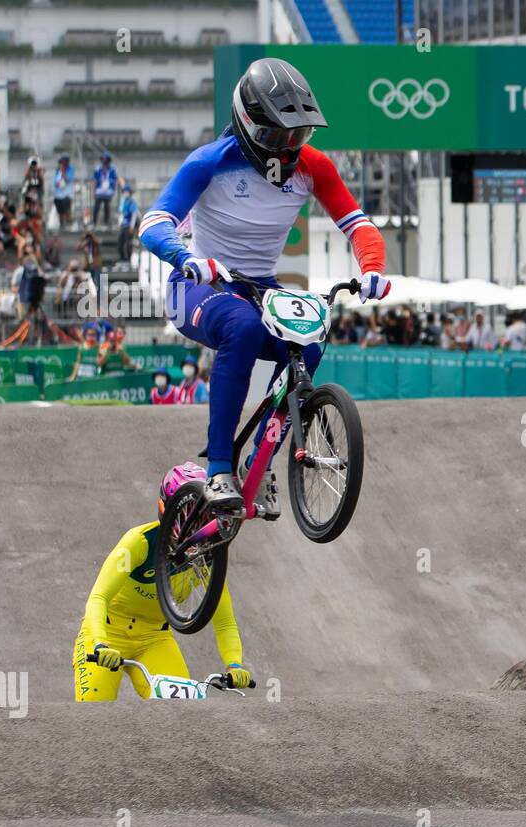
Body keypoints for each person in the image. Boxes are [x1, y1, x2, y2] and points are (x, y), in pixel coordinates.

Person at [140, 57, 390, 514]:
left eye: (299, 136)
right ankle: (218, 470)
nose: (289, 148)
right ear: (248, 126)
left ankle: (261, 462)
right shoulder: (209, 162)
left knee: (309, 342)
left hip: (260, 287)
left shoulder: (314, 167)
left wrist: (372, 267)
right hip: (198, 285)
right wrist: (189, 258)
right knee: (243, 328)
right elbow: (153, 224)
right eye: (278, 136)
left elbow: (360, 226)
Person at [73, 463, 253, 701]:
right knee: (94, 719)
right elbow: (98, 598)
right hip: (107, 634)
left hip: (154, 639)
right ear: (165, 508)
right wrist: (99, 644)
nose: (194, 521)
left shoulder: (208, 555)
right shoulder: (139, 542)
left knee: (185, 715)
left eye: (201, 514)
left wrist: (233, 663)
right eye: (186, 513)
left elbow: (225, 621)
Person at [92, 153, 117, 227]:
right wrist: (93, 191)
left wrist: (114, 190)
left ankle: (106, 223)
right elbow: (95, 180)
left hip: (108, 192)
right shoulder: (98, 169)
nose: (104, 161)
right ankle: (94, 223)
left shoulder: (113, 169)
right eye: (103, 159)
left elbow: (115, 180)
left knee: (107, 207)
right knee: (96, 207)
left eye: (106, 159)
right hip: (99, 191)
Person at [117, 184, 138, 264]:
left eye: (127, 192)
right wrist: (119, 224)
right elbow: (121, 214)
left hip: (129, 225)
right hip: (123, 225)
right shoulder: (123, 201)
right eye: (124, 192)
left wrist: (131, 227)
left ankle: (128, 260)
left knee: (128, 243)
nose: (125, 193)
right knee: (120, 242)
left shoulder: (132, 202)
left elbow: (134, 215)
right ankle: (122, 258)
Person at [52, 155, 74, 231]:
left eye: (62, 162)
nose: (61, 164)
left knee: (67, 212)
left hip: (66, 195)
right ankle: (62, 226)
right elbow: (56, 182)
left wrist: (63, 171)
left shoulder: (70, 170)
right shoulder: (58, 171)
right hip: (58, 195)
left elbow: (68, 180)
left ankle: (70, 226)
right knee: (60, 213)